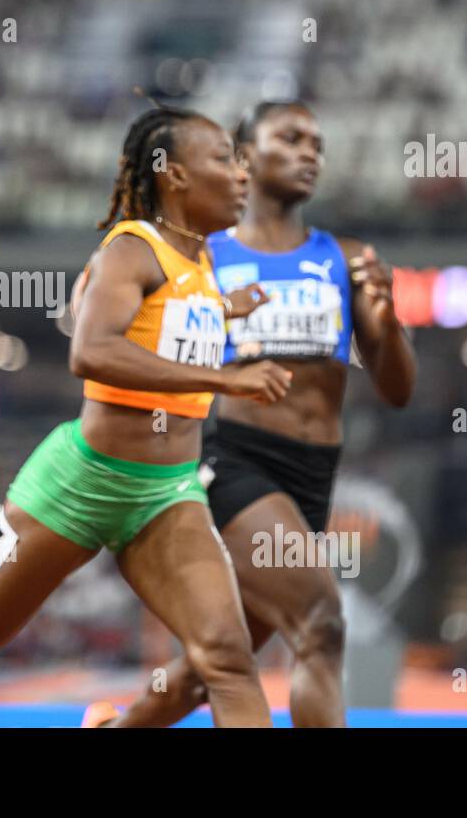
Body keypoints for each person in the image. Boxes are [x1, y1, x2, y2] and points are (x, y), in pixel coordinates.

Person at [0, 105, 295, 726]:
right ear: (173, 175)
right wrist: (225, 377)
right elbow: (91, 353)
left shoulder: (200, 265)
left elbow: (166, 327)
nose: (243, 173)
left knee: (225, 661)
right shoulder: (131, 251)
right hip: (80, 482)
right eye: (225, 159)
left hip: (167, 493)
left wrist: (229, 311)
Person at [104, 102, 415, 727]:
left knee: (221, 659)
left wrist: (384, 324)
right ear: (244, 155)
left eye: (318, 144)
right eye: (291, 138)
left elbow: (398, 388)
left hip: (314, 475)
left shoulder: (344, 258)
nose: (310, 153)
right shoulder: (204, 258)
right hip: (235, 461)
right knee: (321, 625)